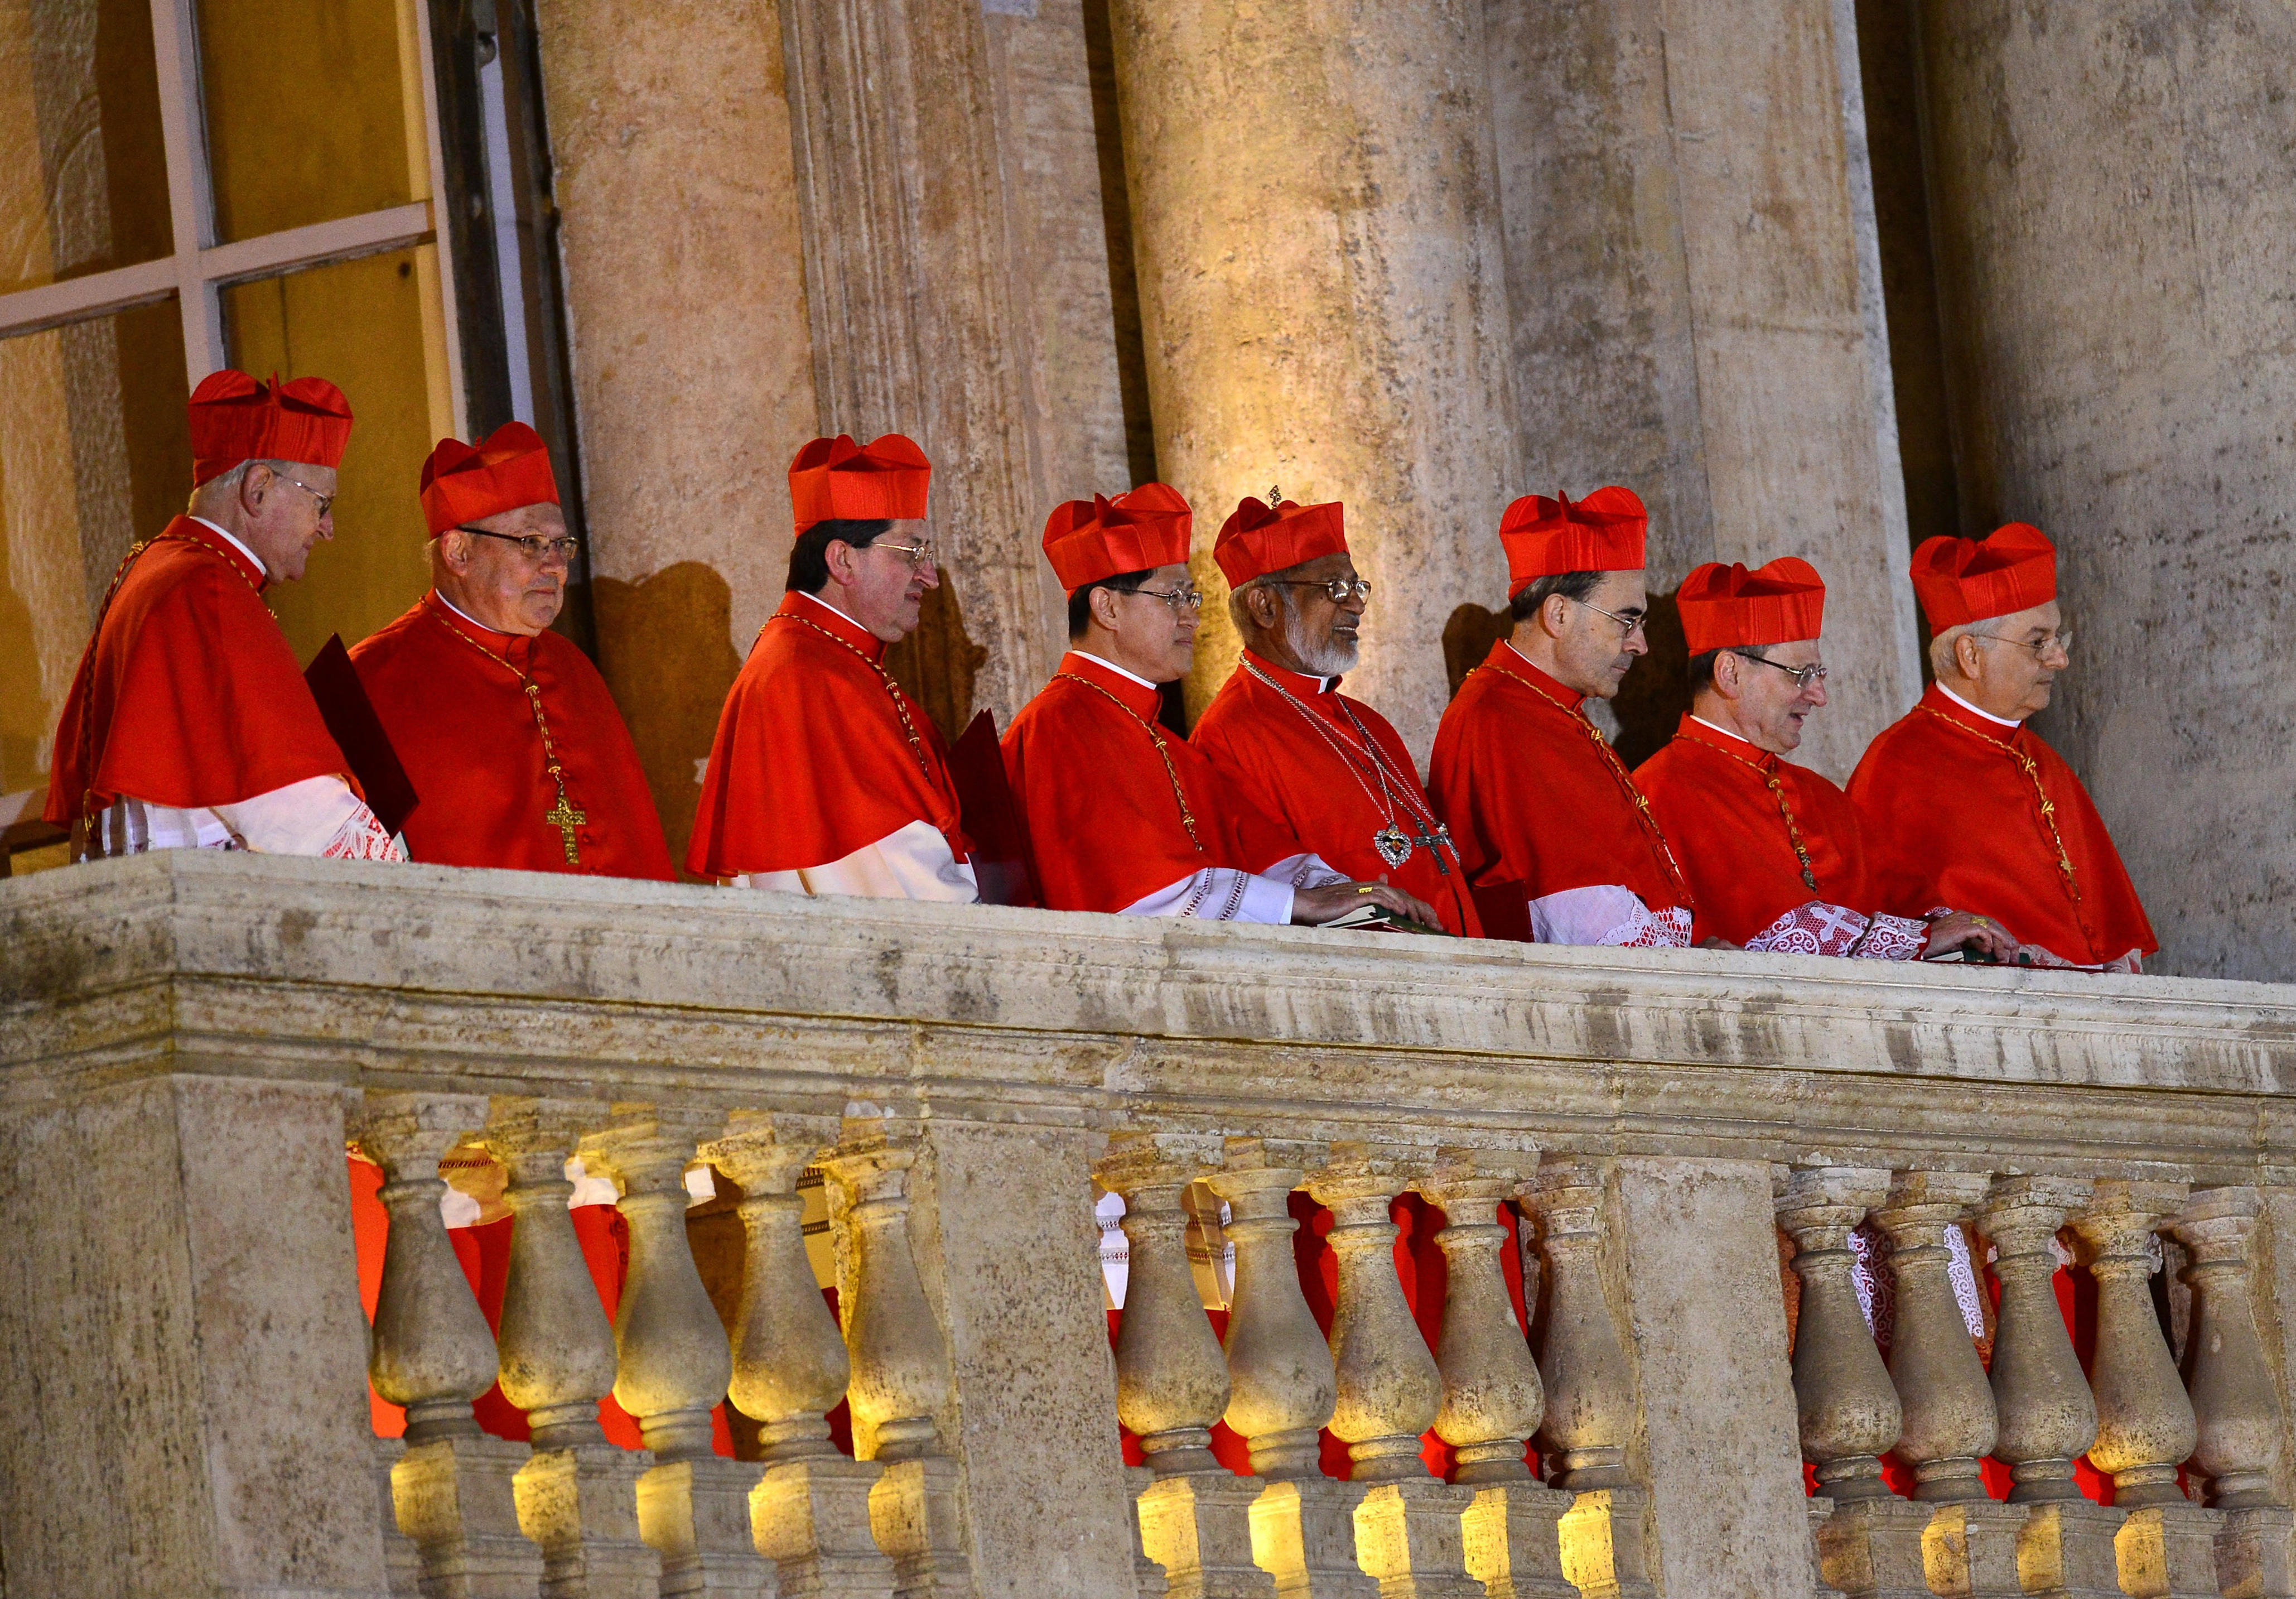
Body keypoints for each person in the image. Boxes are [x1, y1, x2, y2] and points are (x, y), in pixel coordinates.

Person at [1001, 484, 1435, 926]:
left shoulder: (1165, 742)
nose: (1193, 616)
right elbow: (1134, 897)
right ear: (1107, 608)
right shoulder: (1059, 725)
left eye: (1192, 599)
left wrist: (1347, 891)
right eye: (1175, 598)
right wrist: (1296, 904)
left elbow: (1261, 849)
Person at [44, 369, 401, 862]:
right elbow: (292, 810)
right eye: (321, 504)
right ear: (258, 489)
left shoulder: (157, 568)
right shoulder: (204, 590)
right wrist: (398, 874)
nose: (327, 529)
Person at [1634, 558, 2015, 960]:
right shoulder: (1664, 789)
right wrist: (1917, 940)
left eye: (1820, 674)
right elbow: (1772, 930)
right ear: (1729, 674)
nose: (1819, 695)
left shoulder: (1819, 795)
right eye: (1799, 675)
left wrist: (1968, 934)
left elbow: (1909, 897)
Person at [350, 422, 673, 880]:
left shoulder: (575, 668)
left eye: (562, 545)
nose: (557, 565)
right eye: (531, 544)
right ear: (458, 552)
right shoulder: (370, 683)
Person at [1849, 523, 2155, 971]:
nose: (2060, 658)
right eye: (2038, 642)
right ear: (1971, 656)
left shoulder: (2045, 761)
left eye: (2058, 639)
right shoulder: (1897, 765)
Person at [688, 432, 977, 899]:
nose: (929, 576)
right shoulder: (807, 678)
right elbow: (895, 882)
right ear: (842, 559)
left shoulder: (838, 663)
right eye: (913, 553)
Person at [1190, 493, 1480, 936]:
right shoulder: (1229, 733)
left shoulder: (1370, 723)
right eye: (1335, 589)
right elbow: (1269, 890)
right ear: (1265, 606)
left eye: (1358, 587)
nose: (1357, 605)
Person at [1428, 487, 1702, 947]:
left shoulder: (1557, 712)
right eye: (1626, 621)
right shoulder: (1496, 719)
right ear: (1557, 613)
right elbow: (1565, 913)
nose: (1641, 646)